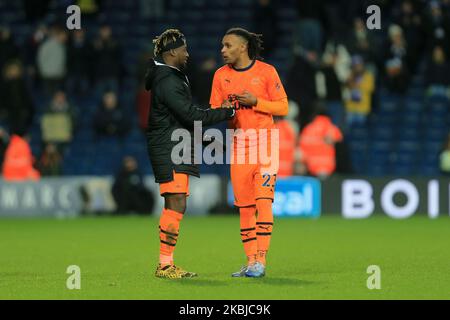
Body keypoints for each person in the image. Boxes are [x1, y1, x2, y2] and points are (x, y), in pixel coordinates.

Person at [145, 29, 235, 279]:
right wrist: (225, 113)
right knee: (177, 203)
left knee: (175, 203)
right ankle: (164, 265)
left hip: (175, 144)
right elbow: (190, 115)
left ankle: (165, 263)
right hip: (170, 147)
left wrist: (205, 139)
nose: (187, 54)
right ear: (172, 51)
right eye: (184, 49)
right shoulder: (168, 80)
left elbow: (181, 118)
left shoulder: (170, 77)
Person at [210, 28, 288, 277]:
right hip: (239, 146)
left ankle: (261, 261)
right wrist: (223, 109)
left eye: (228, 45)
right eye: (222, 45)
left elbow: (283, 106)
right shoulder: (220, 76)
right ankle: (251, 261)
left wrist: (256, 102)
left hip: (265, 144)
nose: (223, 50)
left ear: (243, 47)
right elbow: (214, 110)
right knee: (245, 207)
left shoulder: (266, 72)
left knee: (264, 201)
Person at [298, 109, 343, 179]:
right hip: (328, 169)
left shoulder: (308, 129)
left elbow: (301, 151)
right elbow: (340, 140)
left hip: (312, 169)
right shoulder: (331, 128)